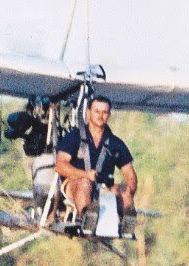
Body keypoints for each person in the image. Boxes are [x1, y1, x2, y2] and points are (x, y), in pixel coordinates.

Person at [55, 95, 137, 229]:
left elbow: (131, 176)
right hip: (75, 184)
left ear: (109, 115)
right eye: (97, 111)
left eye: (104, 112)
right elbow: (60, 165)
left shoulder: (116, 143)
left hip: (103, 188)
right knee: (85, 183)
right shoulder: (74, 136)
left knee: (124, 189)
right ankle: (87, 219)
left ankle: (127, 219)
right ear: (88, 113)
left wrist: (127, 196)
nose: (100, 115)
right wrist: (85, 174)